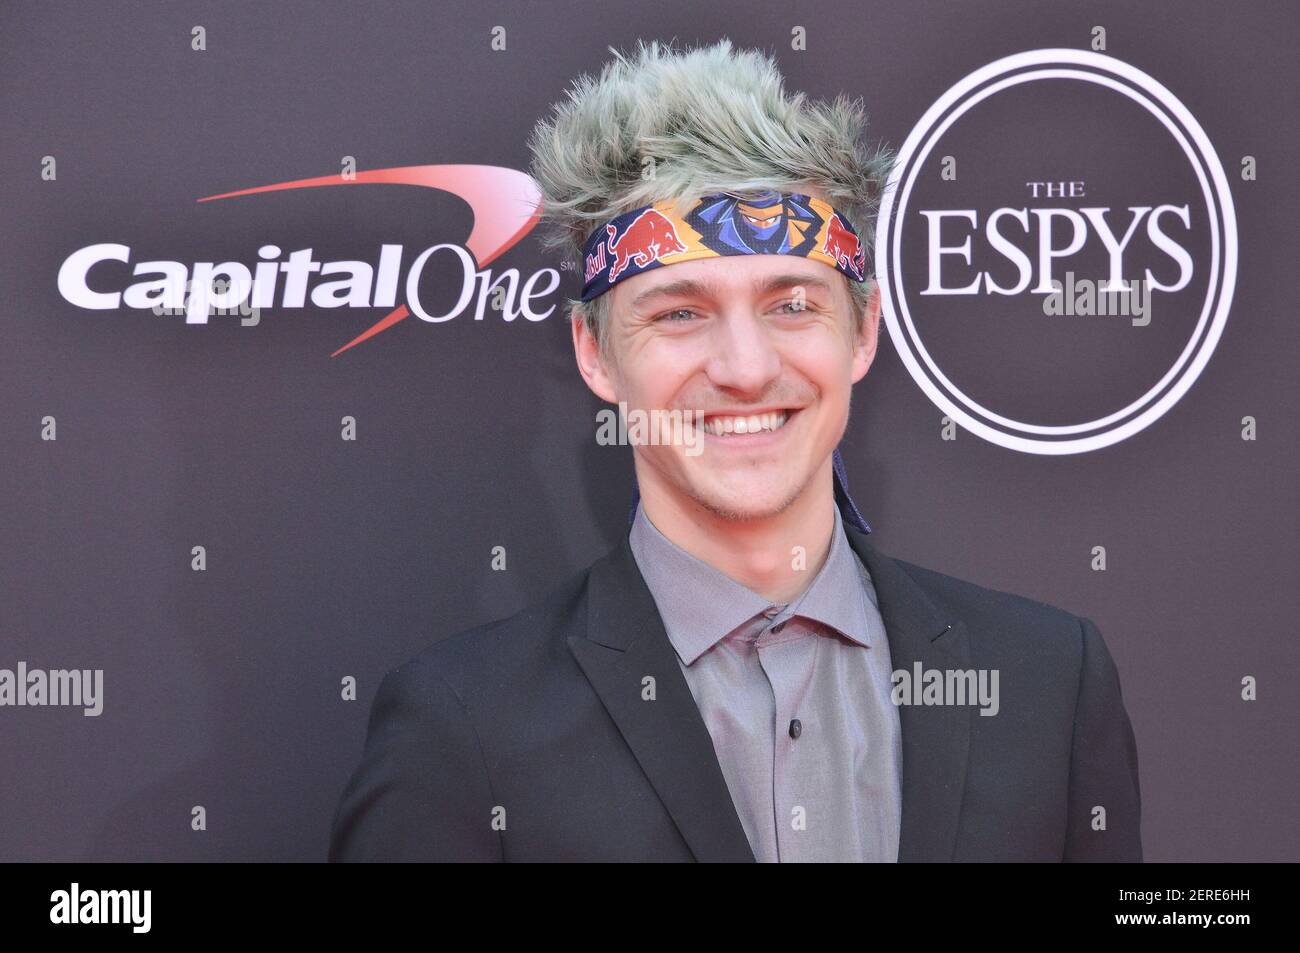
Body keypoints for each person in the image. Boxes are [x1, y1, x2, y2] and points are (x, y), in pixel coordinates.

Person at [329, 37, 1141, 862]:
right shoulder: (462, 726)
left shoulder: (1049, 681)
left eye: (791, 304)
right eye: (679, 312)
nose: (746, 369)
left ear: (863, 330)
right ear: (595, 352)